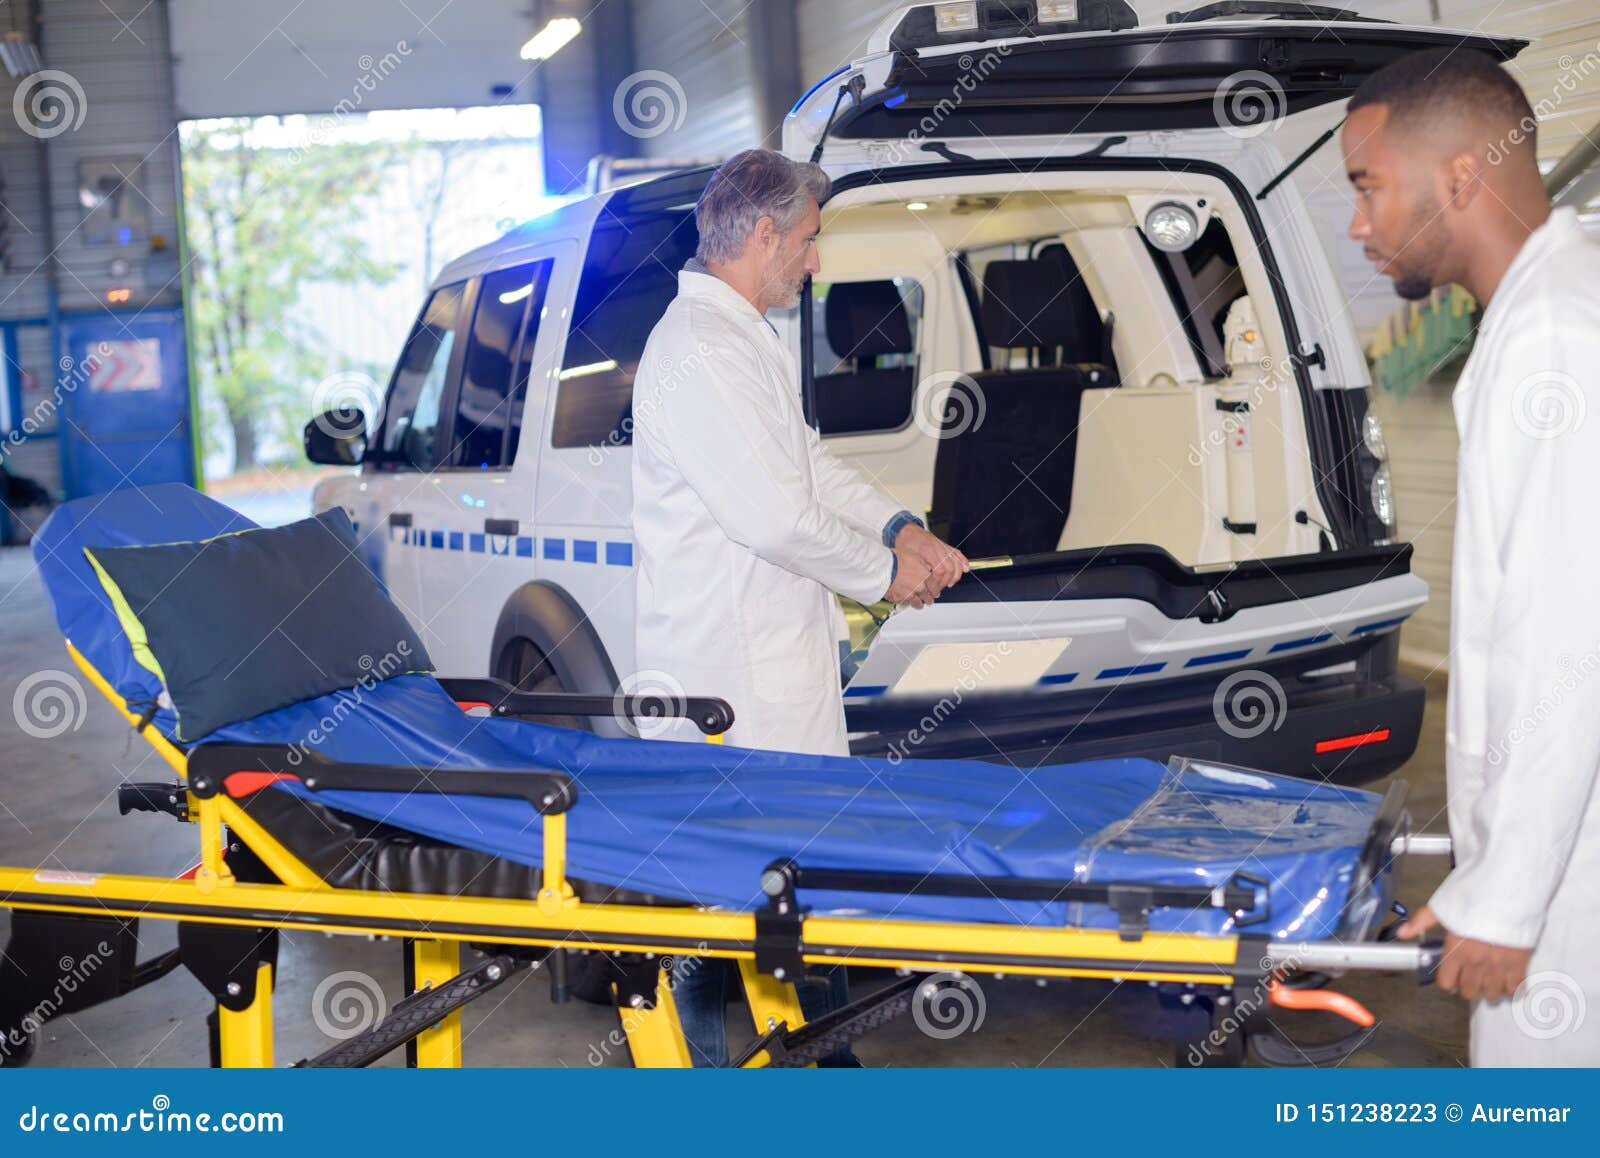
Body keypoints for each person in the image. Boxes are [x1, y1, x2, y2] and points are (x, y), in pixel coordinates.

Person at [630, 148, 969, 1065]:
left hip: (769, 674)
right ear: (764, 233)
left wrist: (899, 527)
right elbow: (773, 516)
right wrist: (885, 575)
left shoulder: (742, 336)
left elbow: (806, 464)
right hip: (728, 687)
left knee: (793, 892)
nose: (815, 262)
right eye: (809, 241)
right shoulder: (701, 350)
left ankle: (820, 1064)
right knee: (719, 912)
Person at [1342, 47, 1600, 1065]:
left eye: (1367, 185)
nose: (1356, 224)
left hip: (1572, 868)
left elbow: (1569, 637)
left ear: (1458, 176)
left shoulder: (1552, 336)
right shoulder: (1547, 306)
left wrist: (1505, 899)